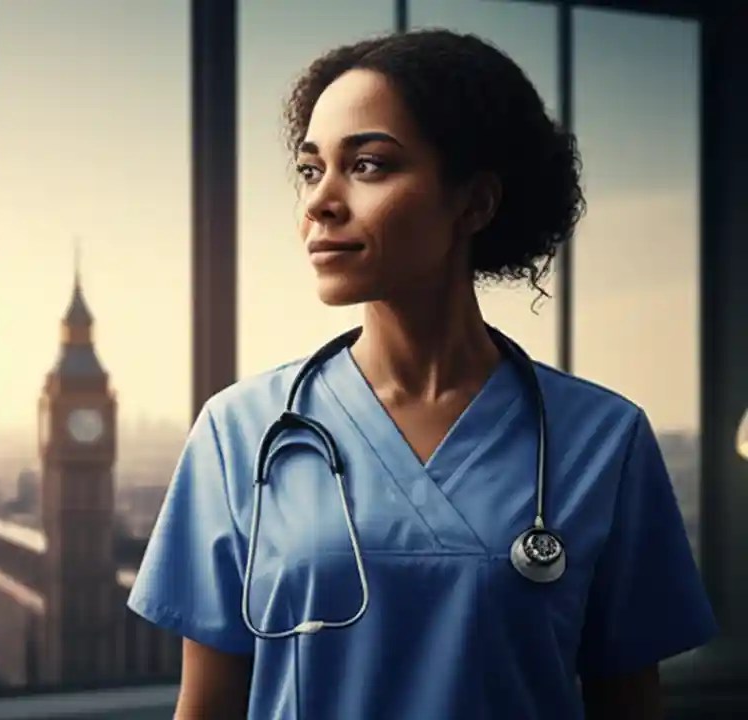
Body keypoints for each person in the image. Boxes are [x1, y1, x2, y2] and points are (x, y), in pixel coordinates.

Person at [126, 28, 717, 720]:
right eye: (311, 170)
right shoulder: (238, 433)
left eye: (368, 165)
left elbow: (630, 706)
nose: (320, 202)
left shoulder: (604, 441)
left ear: (475, 203)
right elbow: (206, 707)